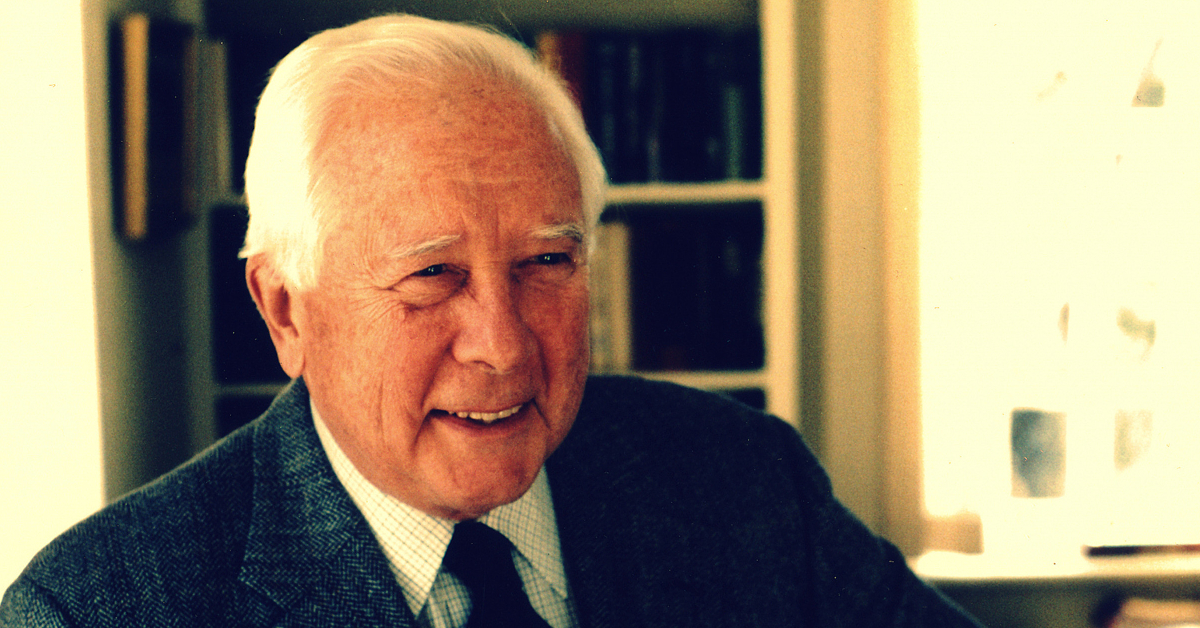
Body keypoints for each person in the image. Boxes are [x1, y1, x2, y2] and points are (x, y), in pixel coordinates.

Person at [1, 14, 982, 628]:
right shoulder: (98, 608)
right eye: (431, 277)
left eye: (547, 262)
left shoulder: (743, 481)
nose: (505, 345)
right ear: (286, 310)